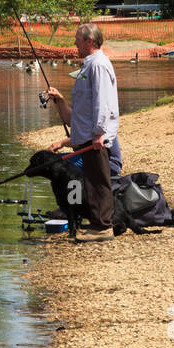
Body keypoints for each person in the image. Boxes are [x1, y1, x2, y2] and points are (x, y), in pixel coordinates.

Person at [41, 23, 120, 242]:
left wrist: (99, 132)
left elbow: (103, 101)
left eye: (78, 38)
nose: (75, 42)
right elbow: (84, 108)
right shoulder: (89, 65)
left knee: (99, 181)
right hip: (86, 135)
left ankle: (103, 226)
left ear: (90, 41)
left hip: (95, 137)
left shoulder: (98, 65)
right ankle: (96, 223)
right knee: (91, 180)